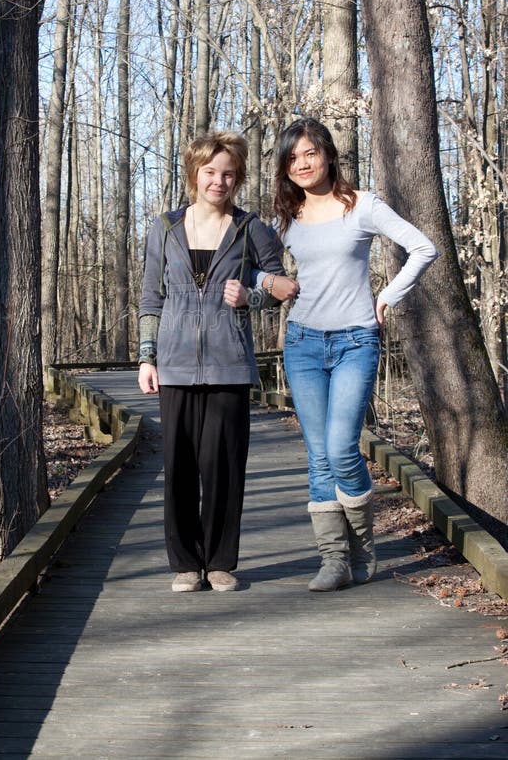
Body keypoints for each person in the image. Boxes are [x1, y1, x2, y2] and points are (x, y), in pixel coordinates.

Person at [260, 117, 438, 591]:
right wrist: (268, 283)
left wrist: (388, 296)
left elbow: (424, 247)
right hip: (301, 343)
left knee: (341, 448)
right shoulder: (286, 217)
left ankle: (363, 547)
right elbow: (254, 271)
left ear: (328, 153)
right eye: (292, 157)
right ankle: (333, 561)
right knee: (318, 456)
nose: (301, 163)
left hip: (355, 340)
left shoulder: (362, 205)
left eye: (309, 153)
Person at [138, 130, 298, 594]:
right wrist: (147, 357)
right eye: (210, 171)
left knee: (224, 465)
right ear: (195, 173)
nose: (219, 181)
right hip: (174, 362)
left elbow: (280, 287)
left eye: (228, 174)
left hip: (229, 362)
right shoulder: (164, 227)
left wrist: (249, 297)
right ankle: (186, 564)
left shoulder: (252, 229)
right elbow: (151, 296)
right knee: (180, 465)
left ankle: (222, 562)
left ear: (238, 178)